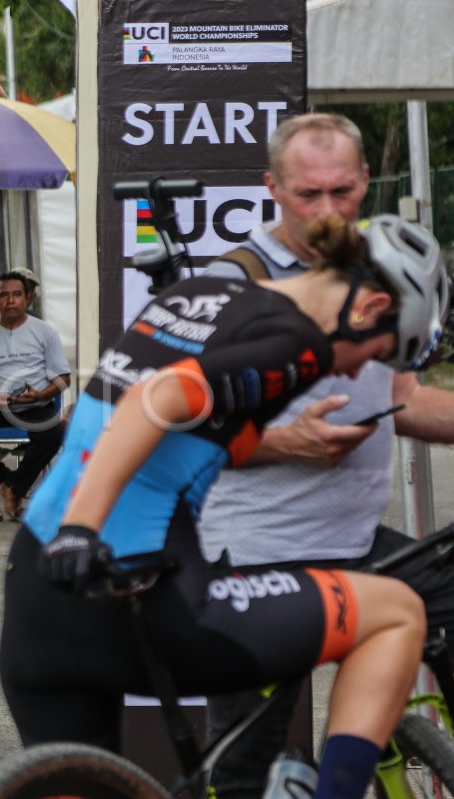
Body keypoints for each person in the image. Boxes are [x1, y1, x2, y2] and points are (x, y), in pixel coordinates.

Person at [0, 214, 449, 799]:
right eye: (376, 354)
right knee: (397, 612)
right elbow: (155, 398)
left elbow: (172, 431)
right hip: (142, 599)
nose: (358, 370)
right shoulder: (298, 342)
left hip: (38, 596)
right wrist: (83, 527)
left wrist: (72, 534)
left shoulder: (201, 296)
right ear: (369, 308)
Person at [199, 113, 454, 797]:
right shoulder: (233, 284)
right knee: (243, 770)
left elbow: (404, 394)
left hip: (358, 543)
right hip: (256, 554)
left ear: (366, 180)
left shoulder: (378, 269)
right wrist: (285, 441)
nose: (326, 211)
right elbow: (170, 427)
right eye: (307, 194)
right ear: (272, 188)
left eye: (342, 191)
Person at [0, 270, 71, 519]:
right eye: (3, 295)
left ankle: (15, 488)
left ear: (28, 298)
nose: (10, 301)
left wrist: (40, 395)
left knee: (55, 432)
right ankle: (5, 484)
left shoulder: (45, 332)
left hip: (34, 405)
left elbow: (63, 378)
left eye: (17, 294)